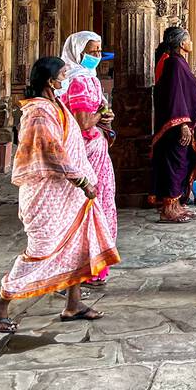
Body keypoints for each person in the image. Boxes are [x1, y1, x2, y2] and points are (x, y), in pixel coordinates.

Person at [0, 56, 119, 333]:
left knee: (77, 244)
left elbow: (72, 136)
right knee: (42, 250)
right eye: (63, 73)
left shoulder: (56, 104)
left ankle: (73, 304)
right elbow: (52, 153)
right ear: (49, 79)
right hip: (48, 193)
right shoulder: (39, 113)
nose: (66, 77)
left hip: (67, 193)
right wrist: (81, 180)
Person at [59, 30, 117, 286]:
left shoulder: (88, 78)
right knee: (90, 206)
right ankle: (87, 267)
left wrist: (104, 116)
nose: (96, 56)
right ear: (77, 52)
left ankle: (94, 265)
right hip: (85, 152)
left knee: (98, 205)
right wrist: (100, 117)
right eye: (91, 52)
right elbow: (83, 121)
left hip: (96, 149)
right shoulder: (77, 81)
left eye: (98, 52)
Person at [151, 25, 196, 222]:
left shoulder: (178, 62)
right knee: (174, 165)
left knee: (182, 163)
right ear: (182, 43)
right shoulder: (174, 64)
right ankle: (168, 209)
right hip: (176, 125)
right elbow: (175, 96)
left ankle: (176, 205)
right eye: (189, 39)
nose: (192, 43)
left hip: (185, 122)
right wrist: (183, 124)